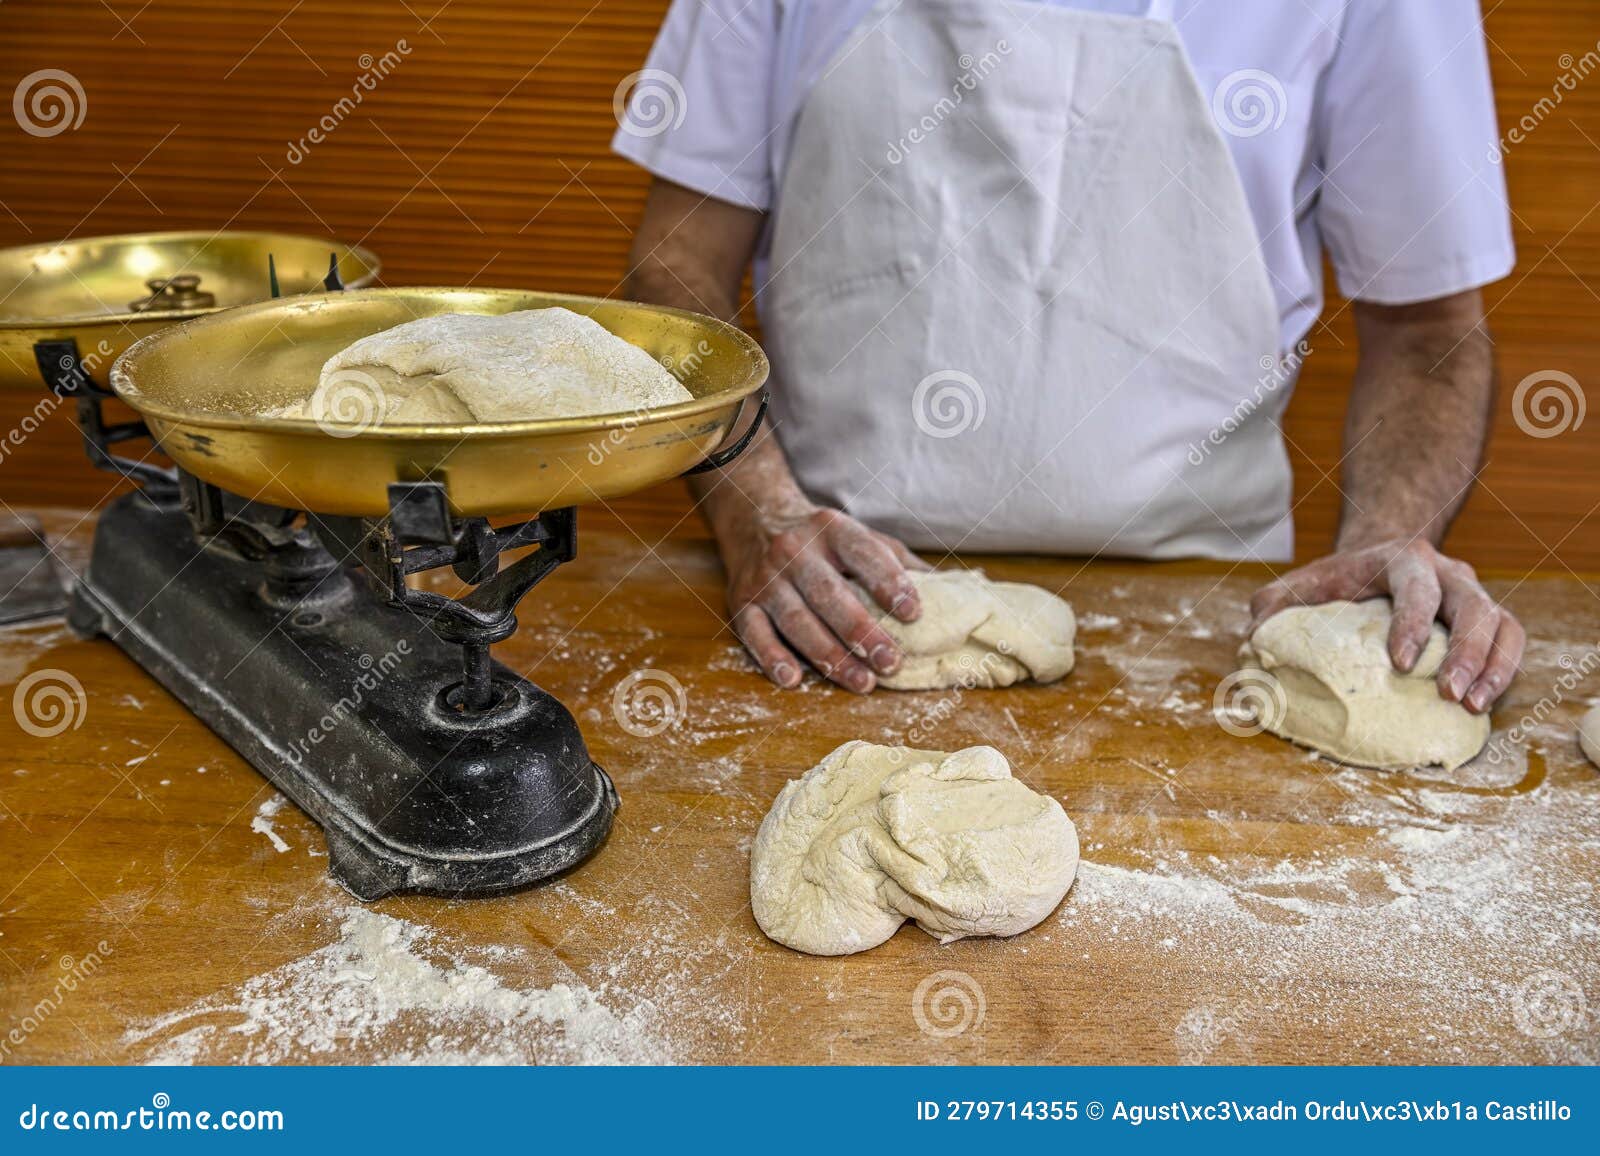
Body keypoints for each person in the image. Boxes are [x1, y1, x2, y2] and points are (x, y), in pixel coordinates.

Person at [613, 0, 1524, 706]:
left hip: (1212, 617)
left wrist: (1382, 550)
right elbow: (677, 270)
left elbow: (1426, 331)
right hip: (831, 598)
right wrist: (757, 514)